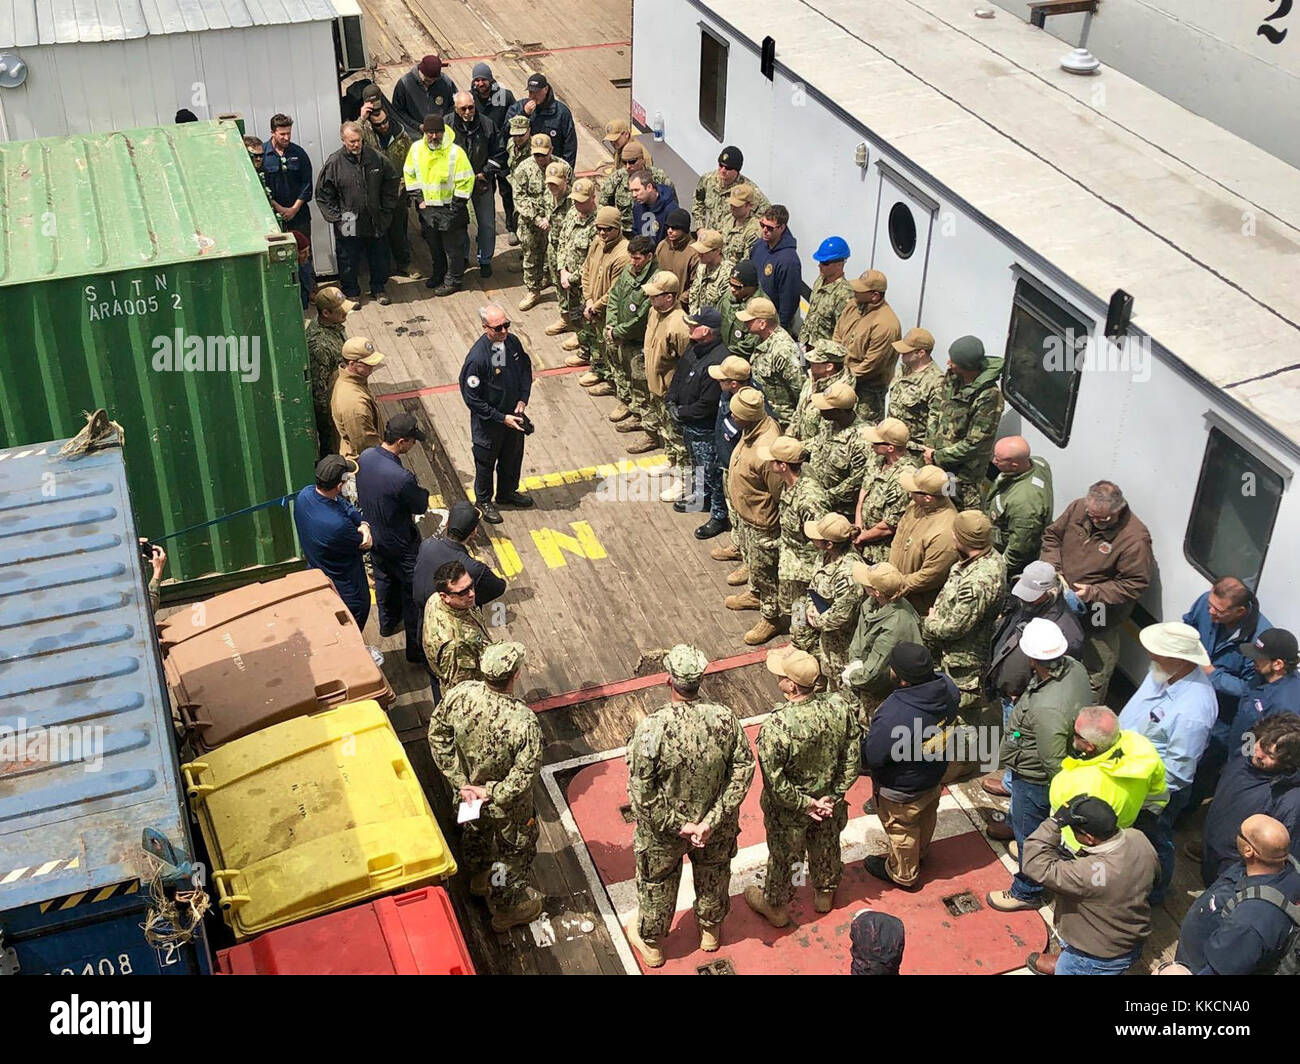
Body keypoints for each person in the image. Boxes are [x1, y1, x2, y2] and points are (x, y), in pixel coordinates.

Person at [625, 644, 755, 968]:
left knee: (657, 883)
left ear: (669, 681)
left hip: (664, 834)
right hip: (715, 828)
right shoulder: (724, 719)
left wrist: (678, 825)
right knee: (713, 873)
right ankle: (710, 931)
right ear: (700, 680)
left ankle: (653, 944)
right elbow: (743, 769)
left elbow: (642, 791)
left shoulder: (651, 729)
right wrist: (711, 820)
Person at [428, 641, 543, 931]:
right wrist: (491, 793)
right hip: (508, 809)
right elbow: (523, 776)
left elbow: (437, 735)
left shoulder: (460, 695)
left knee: (475, 833)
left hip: (467, 797)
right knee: (511, 857)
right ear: (515, 675)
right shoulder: (524, 722)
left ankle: (478, 879)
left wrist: (460, 782)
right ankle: (506, 910)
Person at [746, 647, 859, 926]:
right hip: (830, 804)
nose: (778, 679)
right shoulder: (838, 707)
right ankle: (824, 891)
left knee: (787, 856)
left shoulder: (777, 724)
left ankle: (778, 906)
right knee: (826, 845)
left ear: (792, 686)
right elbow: (852, 758)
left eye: (782, 676)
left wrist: (807, 804)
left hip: (791, 812)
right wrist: (831, 797)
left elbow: (775, 781)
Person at [987, 618, 1093, 912]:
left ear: (1033, 658)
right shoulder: (1074, 668)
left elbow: (1051, 761)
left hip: (1033, 779)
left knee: (1030, 835)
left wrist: (1018, 735)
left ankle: (1027, 889)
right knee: (1026, 827)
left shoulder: (1047, 708)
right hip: (1036, 761)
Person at [1120, 621, 1218, 901]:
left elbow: (1179, 770)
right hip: (1130, 774)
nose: (1152, 656)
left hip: (1158, 790)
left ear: (1179, 659)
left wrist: (1150, 800)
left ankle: (1156, 892)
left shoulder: (1194, 709)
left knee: (1155, 838)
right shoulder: (1162, 673)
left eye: (1159, 653)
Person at [1040, 480, 1154, 702]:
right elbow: (1052, 536)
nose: (1096, 521)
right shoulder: (1078, 509)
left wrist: (1093, 593)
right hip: (1061, 603)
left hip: (1099, 616)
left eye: (1103, 519)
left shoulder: (1134, 540)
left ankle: (1085, 718)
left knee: (1095, 671)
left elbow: (1134, 584)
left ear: (1118, 510)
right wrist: (1054, 568)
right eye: (1092, 515)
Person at [982, 559, 1086, 799]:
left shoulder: (1066, 630)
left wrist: (1027, 694)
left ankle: (1013, 784)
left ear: (1050, 592)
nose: (1024, 599)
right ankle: (1012, 779)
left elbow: (1057, 674)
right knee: (1012, 734)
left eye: (1031, 595)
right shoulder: (1029, 603)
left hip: (1024, 701)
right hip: (1011, 693)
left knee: (1019, 741)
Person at [1020, 795, 1159, 975]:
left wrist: (1055, 822)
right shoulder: (1138, 838)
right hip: (1129, 938)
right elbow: (1156, 877)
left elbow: (1034, 864)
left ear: (1089, 838)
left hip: (1094, 957)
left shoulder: (1090, 873)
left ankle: (1073, 966)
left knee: (1073, 969)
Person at [862, 643, 959, 890]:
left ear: (902, 679)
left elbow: (873, 755)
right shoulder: (948, 687)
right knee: (926, 816)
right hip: (934, 773)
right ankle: (921, 852)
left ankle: (904, 874)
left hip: (901, 788)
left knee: (902, 831)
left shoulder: (895, 714)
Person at [1183, 577, 1272, 810]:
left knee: (1202, 767)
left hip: (1223, 716)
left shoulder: (1259, 641)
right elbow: (1189, 624)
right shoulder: (1207, 602)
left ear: (1240, 611)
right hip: (1189, 691)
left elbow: (1250, 689)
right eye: (1210, 605)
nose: (1210, 612)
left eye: (1218, 611)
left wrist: (1213, 674)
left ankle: (1183, 813)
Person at [1177, 813, 1300, 975]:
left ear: (1249, 851)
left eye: (1240, 833)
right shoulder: (1274, 867)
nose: (1236, 834)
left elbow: (1220, 970)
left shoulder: (1249, 922)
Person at [357, 413, 430, 665]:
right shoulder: (402, 478)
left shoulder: (365, 457)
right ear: (401, 442)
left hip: (375, 537)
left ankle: (387, 624)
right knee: (413, 594)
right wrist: (423, 491)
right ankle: (415, 650)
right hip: (401, 544)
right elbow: (420, 505)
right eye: (412, 441)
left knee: (384, 581)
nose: (413, 445)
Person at [922, 510, 1006, 727]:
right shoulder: (984, 558)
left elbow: (955, 627)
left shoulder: (977, 581)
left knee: (961, 716)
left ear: (961, 539)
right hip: (952, 655)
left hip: (962, 662)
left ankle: (964, 759)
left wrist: (930, 621)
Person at [1049, 706, 1167, 852]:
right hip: (1121, 836)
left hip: (1077, 847)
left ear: (1090, 746)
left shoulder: (1071, 780)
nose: (1073, 736)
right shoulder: (1143, 749)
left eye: (1076, 734)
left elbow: (1058, 819)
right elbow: (1158, 794)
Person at [1202, 714, 1300, 886]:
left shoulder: (1289, 799)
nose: (1259, 754)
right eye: (1261, 744)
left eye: (1270, 754)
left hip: (1234, 872)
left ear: (1289, 762)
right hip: (1212, 850)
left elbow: (1282, 859)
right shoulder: (1246, 756)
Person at [460, 303, 534, 525]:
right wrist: (501, 418)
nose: (504, 331)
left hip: (513, 413)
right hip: (490, 422)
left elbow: (524, 368)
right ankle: (483, 501)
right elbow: (472, 398)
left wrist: (523, 398)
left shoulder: (510, 342)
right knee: (485, 462)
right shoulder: (477, 359)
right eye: (498, 328)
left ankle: (506, 492)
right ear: (485, 328)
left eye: (506, 325)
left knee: (512, 457)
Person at [724, 387, 785, 645]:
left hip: (762, 524)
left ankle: (771, 616)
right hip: (747, 517)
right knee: (754, 565)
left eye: (735, 414)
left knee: (766, 573)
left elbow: (778, 491)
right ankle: (755, 593)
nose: (731, 417)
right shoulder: (753, 429)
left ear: (746, 417)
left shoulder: (767, 446)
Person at [316, 121, 400, 306]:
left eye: (359, 140)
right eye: (352, 141)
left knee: (378, 255)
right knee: (348, 257)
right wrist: (336, 218)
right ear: (343, 140)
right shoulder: (334, 162)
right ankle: (351, 292)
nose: (356, 144)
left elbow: (392, 180)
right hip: (347, 219)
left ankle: (379, 288)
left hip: (374, 217)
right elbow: (323, 194)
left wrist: (386, 210)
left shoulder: (376, 158)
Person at [293, 455, 374, 637]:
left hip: (317, 573)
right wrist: (366, 529)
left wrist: (360, 522)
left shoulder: (304, 495)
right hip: (347, 589)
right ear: (339, 486)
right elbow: (364, 544)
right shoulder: (337, 525)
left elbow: (343, 504)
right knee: (350, 633)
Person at [921, 336, 1004, 512]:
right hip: (936, 460)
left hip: (964, 475)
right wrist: (929, 449)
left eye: (954, 361)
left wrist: (938, 456)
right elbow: (936, 408)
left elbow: (975, 443)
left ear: (967, 367)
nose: (948, 363)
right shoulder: (953, 377)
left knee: (957, 516)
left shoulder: (989, 396)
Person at [667, 306, 729, 532]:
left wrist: (681, 412)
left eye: (695, 325)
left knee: (712, 471)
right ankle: (702, 498)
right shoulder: (694, 348)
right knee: (697, 466)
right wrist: (671, 400)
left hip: (704, 428)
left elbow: (707, 404)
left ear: (707, 331)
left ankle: (719, 515)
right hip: (688, 424)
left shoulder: (719, 359)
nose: (690, 328)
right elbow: (679, 376)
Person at [761, 436, 830, 638]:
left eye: (772, 460)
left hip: (804, 568)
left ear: (783, 466)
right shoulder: (791, 481)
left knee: (801, 612)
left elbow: (822, 538)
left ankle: (801, 643)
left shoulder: (809, 499)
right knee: (793, 609)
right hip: (791, 557)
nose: (769, 463)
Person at [404, 113, 475, 296]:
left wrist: (456, 205)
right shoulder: (416, 149)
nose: (434, 136)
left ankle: (454, 280)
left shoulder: (455, 152)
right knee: (434, 246)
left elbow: (466, 179)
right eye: (430, 133)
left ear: (443, 132)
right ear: (424, 133)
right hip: (428, 210)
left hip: (451, 208)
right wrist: (419, 199)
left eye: (437, 132)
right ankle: (439, 274)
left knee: (453, 249)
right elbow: (409, 174)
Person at [842, 562, 924, 718]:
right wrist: (855, 661)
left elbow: (875, 672)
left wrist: (853, 676)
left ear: (877, 592)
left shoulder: (895, 625)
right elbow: (860, 637)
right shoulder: (874, 604)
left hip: (884, 692)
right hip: (866, 679)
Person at [414, 501, 508, 628]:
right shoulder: (474, 568)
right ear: (473, 531)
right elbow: (498, 587)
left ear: (447, 524)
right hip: (452, 625)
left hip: (422, 615)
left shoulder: (427, 545)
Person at [602, 234, 658, 434]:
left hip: (638, 342)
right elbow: (615, 295)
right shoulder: (629, 270)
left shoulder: (654, 281)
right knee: (625, 375)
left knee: (642, 385)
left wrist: (617, 331)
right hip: (620, 336)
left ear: (649, 257)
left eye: (637, 258)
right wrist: (611, 324)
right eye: (631, 257)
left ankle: (649, 431)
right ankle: (632, 409)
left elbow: (641, 319)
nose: (632, 262)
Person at [799, 514, 865, 680]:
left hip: (844, 646)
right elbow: (813, 586)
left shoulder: (848, 572)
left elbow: (841, 616)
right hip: (826, 638)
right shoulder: (825, 555)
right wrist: (809, 609)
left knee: (843, 686)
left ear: (829, 544)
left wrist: (815, 620)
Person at [359, 96, 418, 280]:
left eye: (385, 122)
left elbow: (412, 162)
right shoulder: (367, 136)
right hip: (375, 193)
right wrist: (361, 119)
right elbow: (352, 135)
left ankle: (404, 263)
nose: (383, 126)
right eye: (378, 124)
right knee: (379, 234)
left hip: (398, 191)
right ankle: (382, 270)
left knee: (399, 231)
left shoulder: (401, 136)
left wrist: (405, 186)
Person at [889, 465, 959, 615]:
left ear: (928, 497)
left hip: (916, 607)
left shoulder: (945, 531)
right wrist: (889, 575)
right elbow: (898, 539)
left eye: (913, 491)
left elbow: (931, 575)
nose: (909, 493)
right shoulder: (916, 505)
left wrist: (897, 584)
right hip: (896, 593)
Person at [450, 91, 506, 279]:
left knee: (487, 224)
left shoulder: (487, 125)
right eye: (463, 108)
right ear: (456, 109)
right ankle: (464, 257)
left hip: (482, 182)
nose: (468, 112)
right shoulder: (446, 126)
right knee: (459, 223)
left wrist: (486, 172)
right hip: (457, 185)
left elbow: (499, 153)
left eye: (470, 107)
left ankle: (485, 260)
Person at [834, 269, 902, 423]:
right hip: (844, 378)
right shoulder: (854, 305)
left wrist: (845, 379)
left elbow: (872, 365)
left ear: (875, 296)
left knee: (862, 431)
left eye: (860, 290)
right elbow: (838, 331)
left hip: (867, 391)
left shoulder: (886, 325)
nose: (854, 292)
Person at [422, 560, 494, 703]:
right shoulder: (455, 645)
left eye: (471, 585)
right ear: (445, 596)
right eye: (463, 592)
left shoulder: (437, 600)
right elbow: (464, 691)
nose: (472, 594)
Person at [577, 207, 631, 396]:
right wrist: (589, 299)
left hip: (610, 312)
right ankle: (600, 370)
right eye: (599, 228)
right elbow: (586, 270)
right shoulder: (597, 243)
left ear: (618, 228)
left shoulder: (623, 254)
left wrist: (596, 304)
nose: (602, 232)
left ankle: (614, 384)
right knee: (597, 342)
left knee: (612, 351)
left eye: (607, 229)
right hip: (593, 307)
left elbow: (615, 290)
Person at [639, 270, 691, 465]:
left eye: (655, 295)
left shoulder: (679, 325)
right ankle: (670, 460)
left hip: (670, 392)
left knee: (678, 437)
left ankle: (682, 475)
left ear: (669, 297)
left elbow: (687, 365)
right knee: (664, 429)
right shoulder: (654, 312)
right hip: (655, 387)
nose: (650, 297)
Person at [853, 417, 920, 563]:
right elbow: (862, 496)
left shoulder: (905, 477)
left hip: (881, 553)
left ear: (890, 448)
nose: (871, 445)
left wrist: (862, 537)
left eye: (876, 443)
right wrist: (858, 529)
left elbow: (889, 525)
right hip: (861, 541)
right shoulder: (876, 459)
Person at [986, 436, 1054, 577]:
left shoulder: (1024, 504)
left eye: (998, 459)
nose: (994, 461)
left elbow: (1018, 550)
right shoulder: (1039, 463)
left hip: (1006, 552)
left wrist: (998, 570)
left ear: (1014, 465)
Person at [709, 356, 756, 556]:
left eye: (722, 379)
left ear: (734, 383)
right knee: (734, 511)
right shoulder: (728, 395)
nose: (718, 382)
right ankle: (737, 545)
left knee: (744, 514)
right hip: (726, 463)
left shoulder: (750, 407)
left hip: (740, 471)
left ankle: (745, 555)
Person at [737, 296, 805, 430]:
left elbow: (801, 389)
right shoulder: (762, 339)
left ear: (762, 324)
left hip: (781, 423)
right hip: (765, 418)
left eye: (749, 321)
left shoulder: (783, 350)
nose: (745, 324)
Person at [304, 286, 357, 457]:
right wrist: (333, 420)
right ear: (326, 313)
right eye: (340, 310)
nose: (345, 313)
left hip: (342, 393)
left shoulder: (333, 325)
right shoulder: (319, 345)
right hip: (333, 410)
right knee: (333, 451)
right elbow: (319, 392)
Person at [1228, 629, 1300, 753]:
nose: (1253, 660)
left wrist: (1242, 765)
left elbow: (1270, 752)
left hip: (1249, 766)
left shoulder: (1283, 705)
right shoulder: (1263, 676)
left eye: (1259, 657)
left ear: (1278, 664)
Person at [551, 177, 599, 360]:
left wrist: (572, 277)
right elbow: (563, 240)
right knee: (575, 315)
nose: (577, 204)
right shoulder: (572, 212)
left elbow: (592, 260)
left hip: (584, 283)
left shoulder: (598, 224)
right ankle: (580, 338)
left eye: (582, 201)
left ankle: (587, 353)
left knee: (587, 318)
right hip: (568, 278)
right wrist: (563, 269)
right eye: (575, 200)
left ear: (592, 198)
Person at [469, 63, 518, 242]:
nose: (480, 83)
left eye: (483, 79)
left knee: (507, 192)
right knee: (484, 193)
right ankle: (486, 230)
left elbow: (514, 118)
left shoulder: (505, 96)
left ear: (490, 79)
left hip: (503, 153)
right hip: (482, 154)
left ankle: (512, 227)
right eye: (477, 80)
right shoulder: (470, 99)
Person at [807, 381, 870, 518]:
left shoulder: (862, 440)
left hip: (841, 513)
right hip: (816, 501)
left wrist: (821, 497)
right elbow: (815, 443)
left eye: (825, 407)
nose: (820, 409)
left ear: (839, 411)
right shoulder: (829, 424)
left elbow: (855, 483)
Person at [514, 133, 562, 309]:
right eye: (537, 155)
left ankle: (556, 287)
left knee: (557, 257)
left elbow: (568, 194)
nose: (540, 158)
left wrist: (551, 218)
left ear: (551, 150)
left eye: (544, 154)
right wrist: (536, 218)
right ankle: (533, 290)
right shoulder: (523, 169)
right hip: (531, 222)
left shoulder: (562, 167)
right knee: (531, 256)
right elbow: (519, 197)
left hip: (555, 221)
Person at [600, 131, 671, 236]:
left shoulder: (658, 177)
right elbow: (603, 204)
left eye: (632, 162)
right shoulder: (617, 178)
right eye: (625, 162)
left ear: (642, 160)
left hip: (650, 229)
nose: (628, 166)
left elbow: (671, 201)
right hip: (623, 231)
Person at [330, 337, 386, 464]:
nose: (373, 366)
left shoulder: (341, 375)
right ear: (351, 364)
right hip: (363, 462)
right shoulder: (354, 405)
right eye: (367, 364)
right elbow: (367, 447)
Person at [504, 73, 577, 169]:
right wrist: (524, 114)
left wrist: (566, 171)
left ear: (546, 89)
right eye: (530, 92)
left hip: (551, 170)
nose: (532, 96)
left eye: (536, 92)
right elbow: (506, 131)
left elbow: (570, 145)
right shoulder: (518, 107)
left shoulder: (561, 113)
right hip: (526, 171)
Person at [692, 146, 769, 234]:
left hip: (730, 241)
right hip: (708, 238)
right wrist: (700, 227)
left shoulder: (748, 190)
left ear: (737, 170)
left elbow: (766, 213)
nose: (723, 170)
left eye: (728, 168)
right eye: (721, 165)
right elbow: (697, 203)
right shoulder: (707, 180)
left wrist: (745, 230)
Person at [887, 328, 942, 447]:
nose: (901, 354)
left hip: (912, 448)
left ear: (921, 353)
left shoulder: (936, 382)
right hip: (889, 440)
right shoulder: (902, 369)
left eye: (906, 351)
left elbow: (934, 425)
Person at [749, 205, 801, 333]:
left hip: (771, 325)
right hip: (753, 314)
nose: (765, 230)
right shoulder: (759, 245)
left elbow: (789, 302)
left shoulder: (789, 261)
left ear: (782, 227)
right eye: (763, 225)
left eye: (770, 228)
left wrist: (778, 329)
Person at [263, 114, 313, 242]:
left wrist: (294, 209)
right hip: (273, 218)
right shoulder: (262, 154)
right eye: (282, 134)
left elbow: (306, 184)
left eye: (289, 133)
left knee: (304, 254)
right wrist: (278, 208)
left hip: (299, 217)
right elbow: (260, 187)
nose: (286, 138)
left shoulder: (299, 153)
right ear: (273, 133)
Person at [790, 339, 851, 443]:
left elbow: (829, 436)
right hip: (799, 444)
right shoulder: (813, 378)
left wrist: (799, 447)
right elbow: (799, 412)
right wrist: (790, 434)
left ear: (829, 367)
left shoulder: (840, 393)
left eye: (814, 362)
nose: (810, 363)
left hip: (817, 452)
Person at [799, 236, 852, 347]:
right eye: (820, 261)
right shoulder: (820, 280)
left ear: (840, 264)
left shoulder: (844, 295)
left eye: (825, 263)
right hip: (805, 345)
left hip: (822, 355)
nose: (819, 265)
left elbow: (842, 334)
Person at [390, 54, 459, 138]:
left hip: (441, 133)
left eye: (434, 80)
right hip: (414, 134)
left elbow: (455, 105)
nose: (430, 83)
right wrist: (417, 126)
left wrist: (443, 123)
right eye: (427, 80)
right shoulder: (405, 84)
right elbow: (397, 112)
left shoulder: (445, 82)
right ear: (420, 71)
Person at [719, 260, 762, 361]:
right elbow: (717, 317)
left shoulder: (760, 308)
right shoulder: (728, 296)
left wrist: (723, 353)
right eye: (731, 284)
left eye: (738, 287)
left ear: (751, 286)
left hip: (740, 362)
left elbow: (749, 345)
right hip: (722, 354)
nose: (733, 289)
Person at [685, 228, 731, 316]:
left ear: (717, 251)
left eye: (704, 251)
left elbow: (723, 308)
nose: (699, 254)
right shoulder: (702, 265)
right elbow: (694, 294)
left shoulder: (727, 273)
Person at [654, 208, 698, 298]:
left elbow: (695, 285)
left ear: (684, 229)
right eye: (668, 227)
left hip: (683, 307)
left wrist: (681, 301)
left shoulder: (694, 252)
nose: (670, 230)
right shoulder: (662, 246)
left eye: (674, 227)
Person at [629, 168, 679, 245]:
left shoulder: (671, 209)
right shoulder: (637, 206)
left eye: (637, 190)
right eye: (632, 191)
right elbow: (636, 232)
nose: (634, 195)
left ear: (649, 187)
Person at [721, 182, 762, 267]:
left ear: (749, 205)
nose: (732, 207)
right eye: (731, 204)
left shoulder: (754, 230)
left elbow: (747, 264)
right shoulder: (727, 219)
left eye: (737, 205)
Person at [243, 133, 277, 213]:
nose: (259, 159)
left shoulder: (264, 172)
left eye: (261, 155)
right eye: (255, 155)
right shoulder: (240, 173)